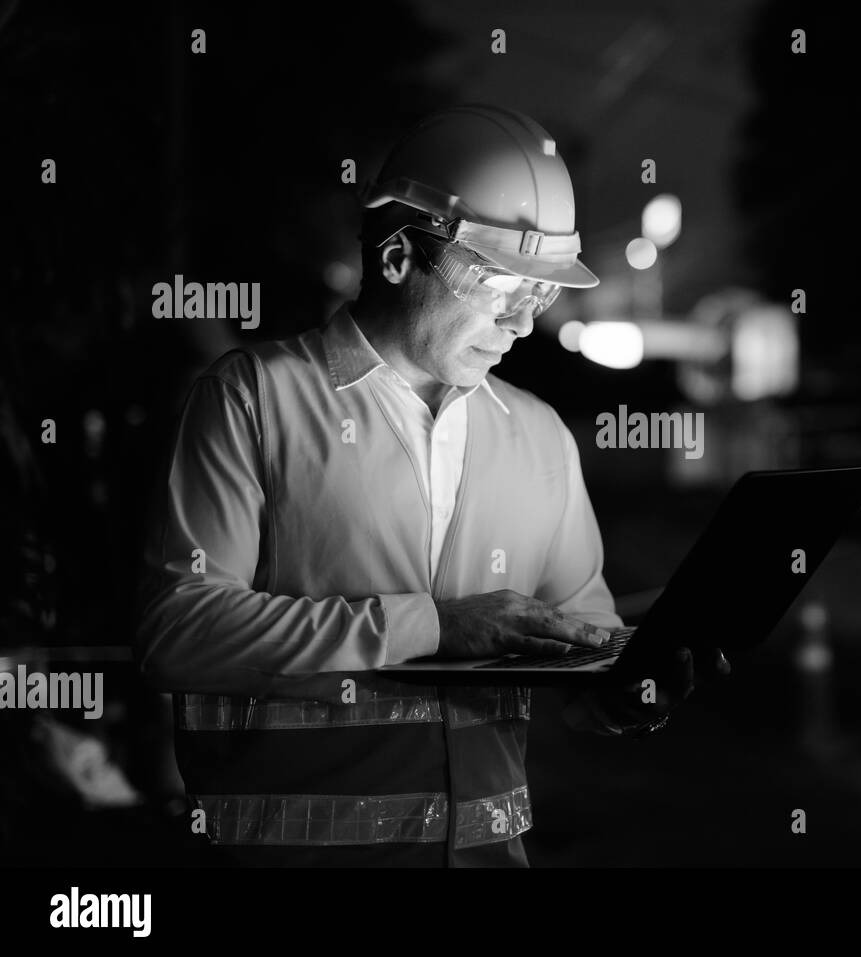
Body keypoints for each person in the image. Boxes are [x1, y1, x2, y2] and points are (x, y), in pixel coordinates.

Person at [132, 104, 728, 867]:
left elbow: (582, 663)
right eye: (500, 284)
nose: (521, 322)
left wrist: (633, 688)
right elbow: (179, 634)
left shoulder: (539, 435)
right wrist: (433, 626)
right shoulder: (252, 398)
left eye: (540, 296)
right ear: (397, 255)